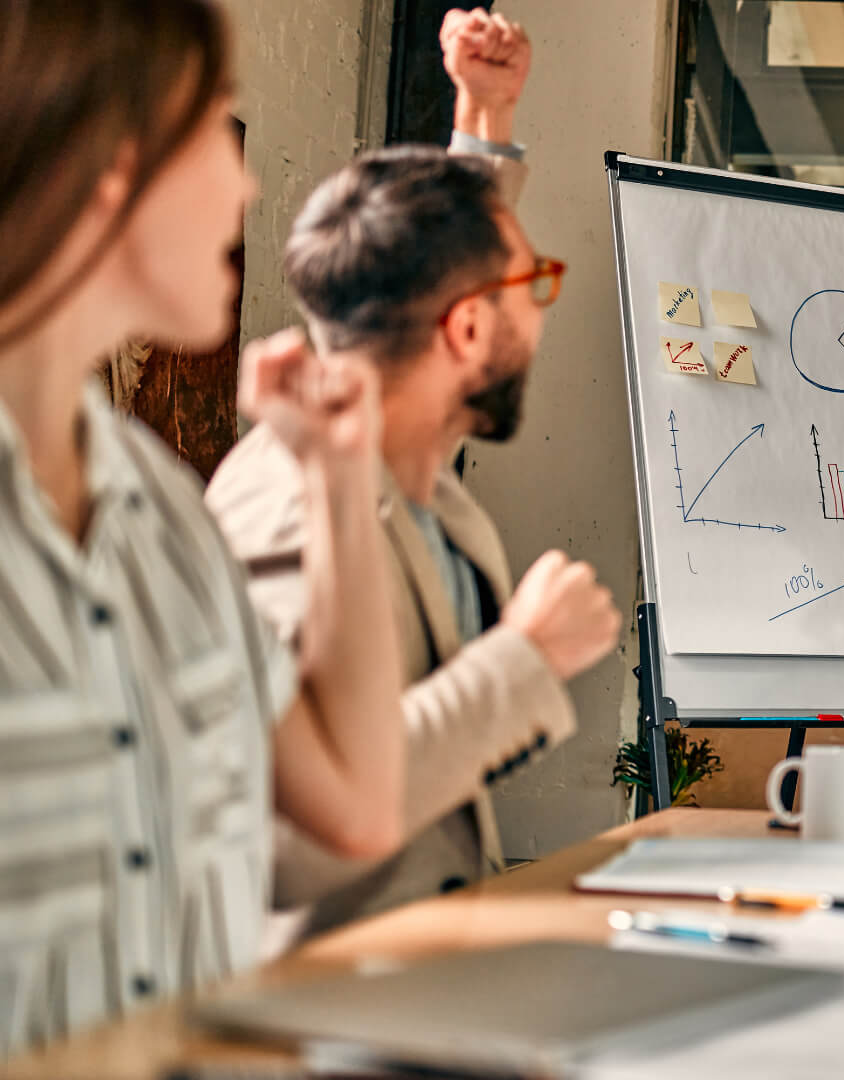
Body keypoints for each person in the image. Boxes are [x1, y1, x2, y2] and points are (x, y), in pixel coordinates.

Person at [0, 0, 406, 1051]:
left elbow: (356, 801)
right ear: (103, 164)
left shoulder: (164, 505)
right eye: (213, 130)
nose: (248, 184)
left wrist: (336, 478)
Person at [205, 11, 621, 941]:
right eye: (539, 288)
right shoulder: (290, 514)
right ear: (468, 334)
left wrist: (484, 119)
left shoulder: (400, 452)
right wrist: (526, 661)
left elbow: (437, 264)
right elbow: (295, 840)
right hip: (320, 1010)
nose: (543, 317)